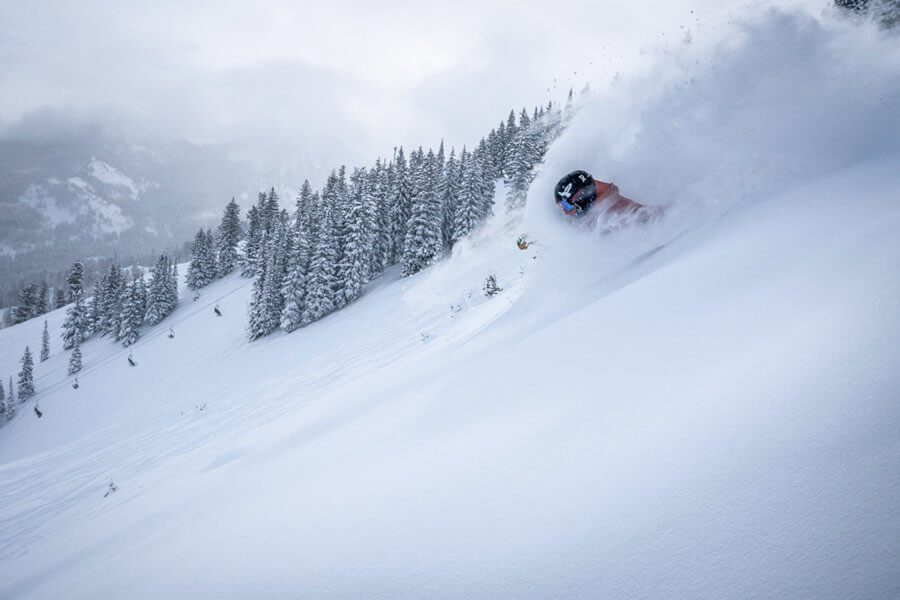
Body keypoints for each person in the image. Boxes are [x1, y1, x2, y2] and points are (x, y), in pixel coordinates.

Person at [554, 170, 651, 218]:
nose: (566, 213)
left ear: (582, 196)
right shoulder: (600, 207)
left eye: (566, 206)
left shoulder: (616, 209)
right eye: (562, 206)